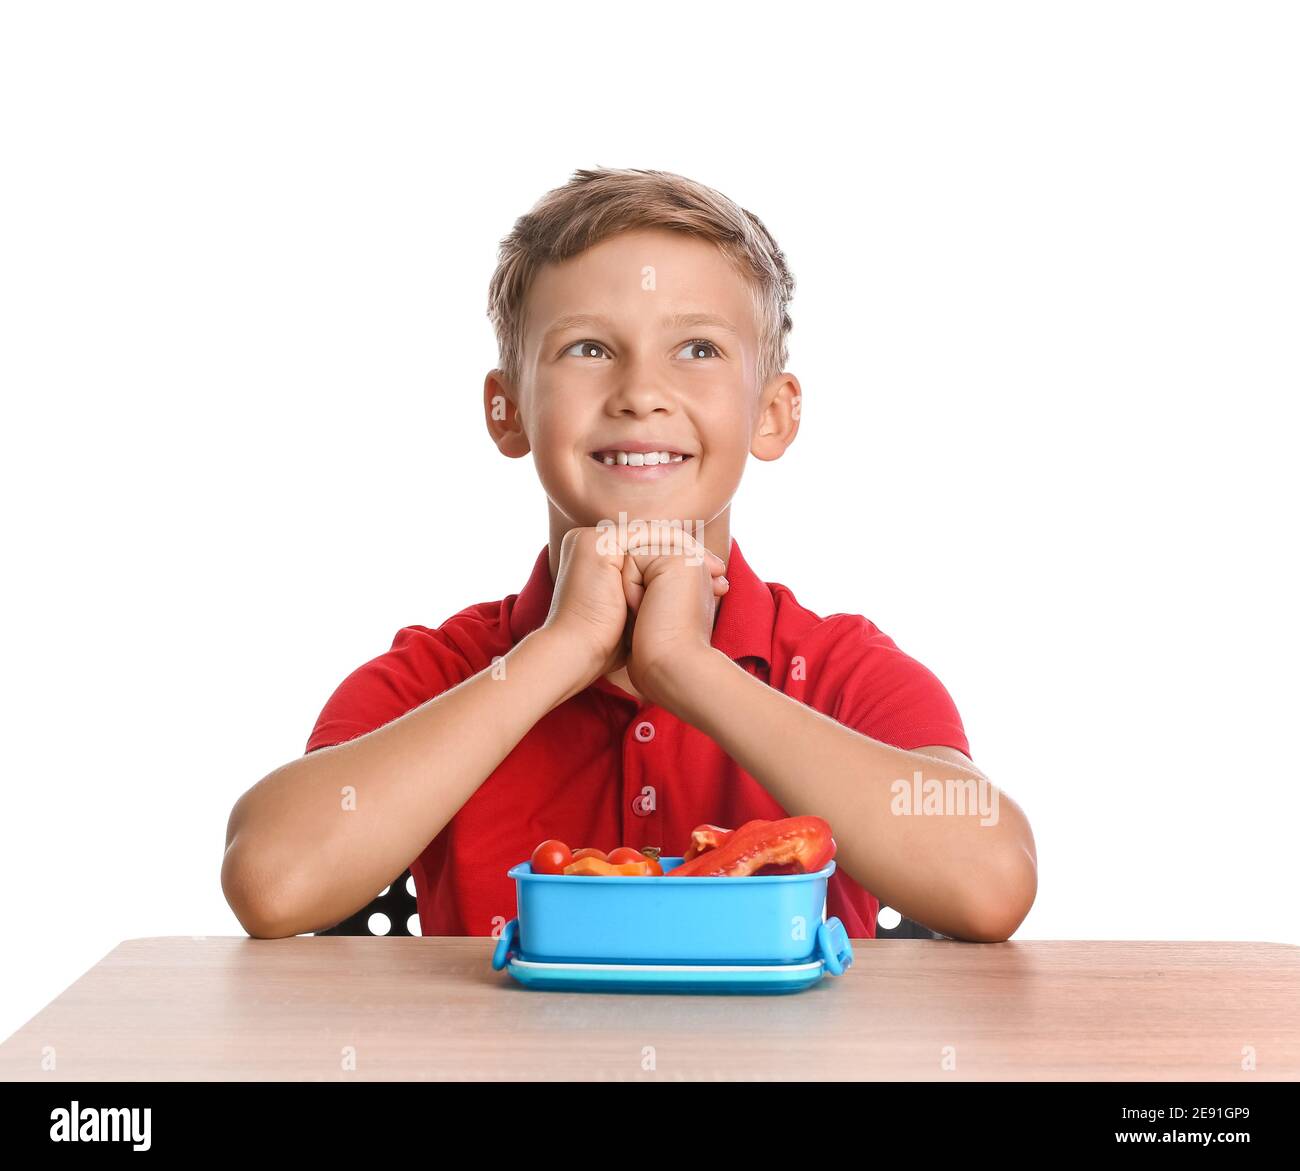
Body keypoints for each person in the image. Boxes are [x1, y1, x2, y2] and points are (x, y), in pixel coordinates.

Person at [221, 166, 1037, 943]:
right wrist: (558, 651)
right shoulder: (443, 673)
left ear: (774, 413)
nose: (640, 390)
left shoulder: (840, 672)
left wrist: (688, 667)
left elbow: (993, 878)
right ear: (507, 411)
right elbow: (271, 878)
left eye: (698, 349)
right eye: (587, 348)